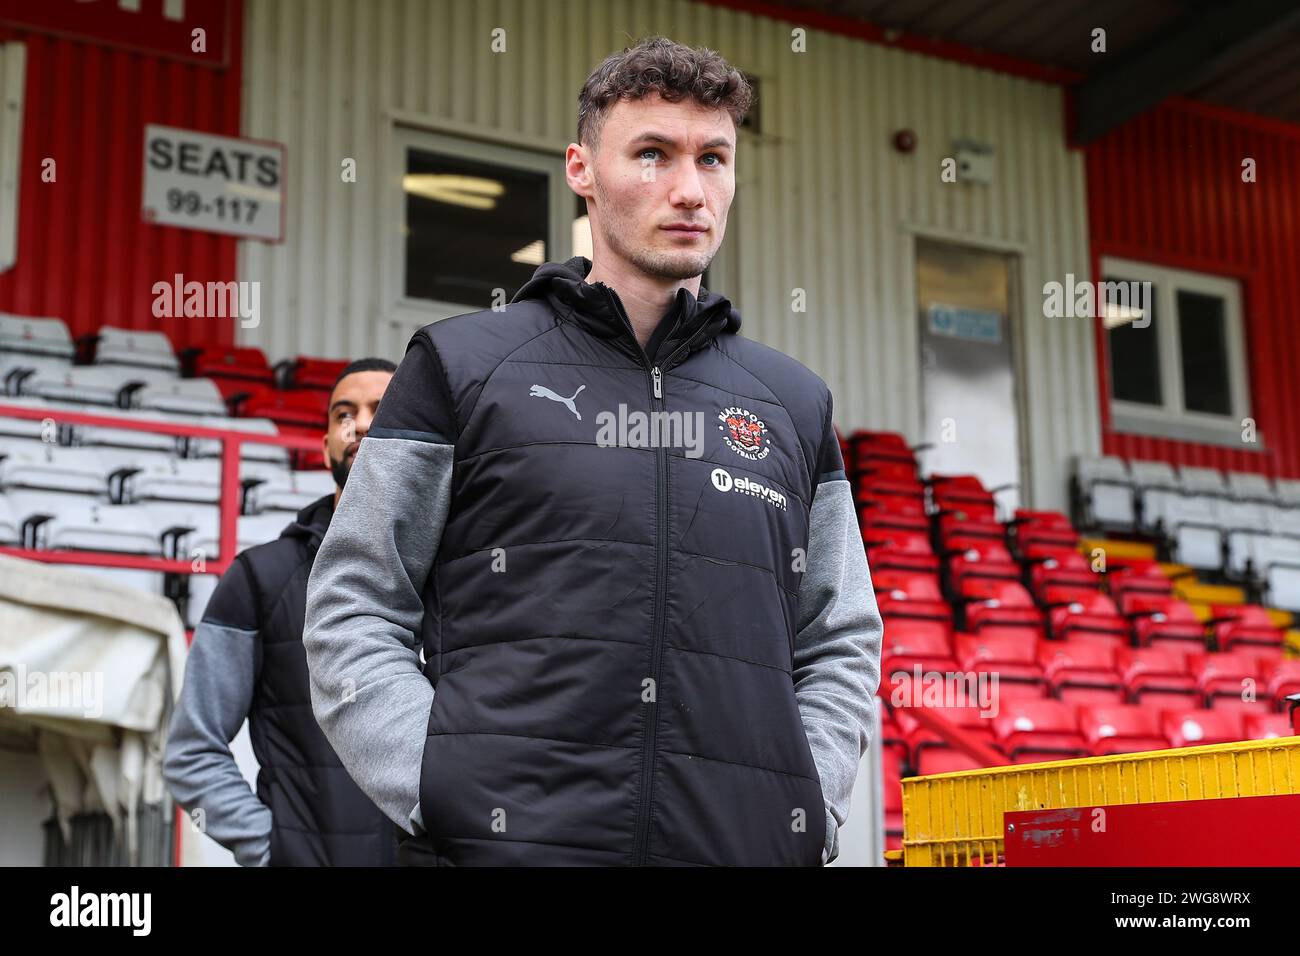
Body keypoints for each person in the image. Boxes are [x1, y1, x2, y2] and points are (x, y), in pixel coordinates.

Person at [304, 36, 882, 867]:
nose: (690, 190)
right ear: (580, 168)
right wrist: (440, 785)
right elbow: (354, 602)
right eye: (652, 154)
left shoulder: (791, 404)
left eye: (714, 158)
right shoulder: (463, 366)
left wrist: (807, 798)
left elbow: (839, 634)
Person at [164, 358, 400, 866]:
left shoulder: (466, 579)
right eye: (344, 413)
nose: (359, 424)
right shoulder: (260, 579)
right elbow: (191, 751)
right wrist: (277, 849)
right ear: (324, 447)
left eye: (381, 410)